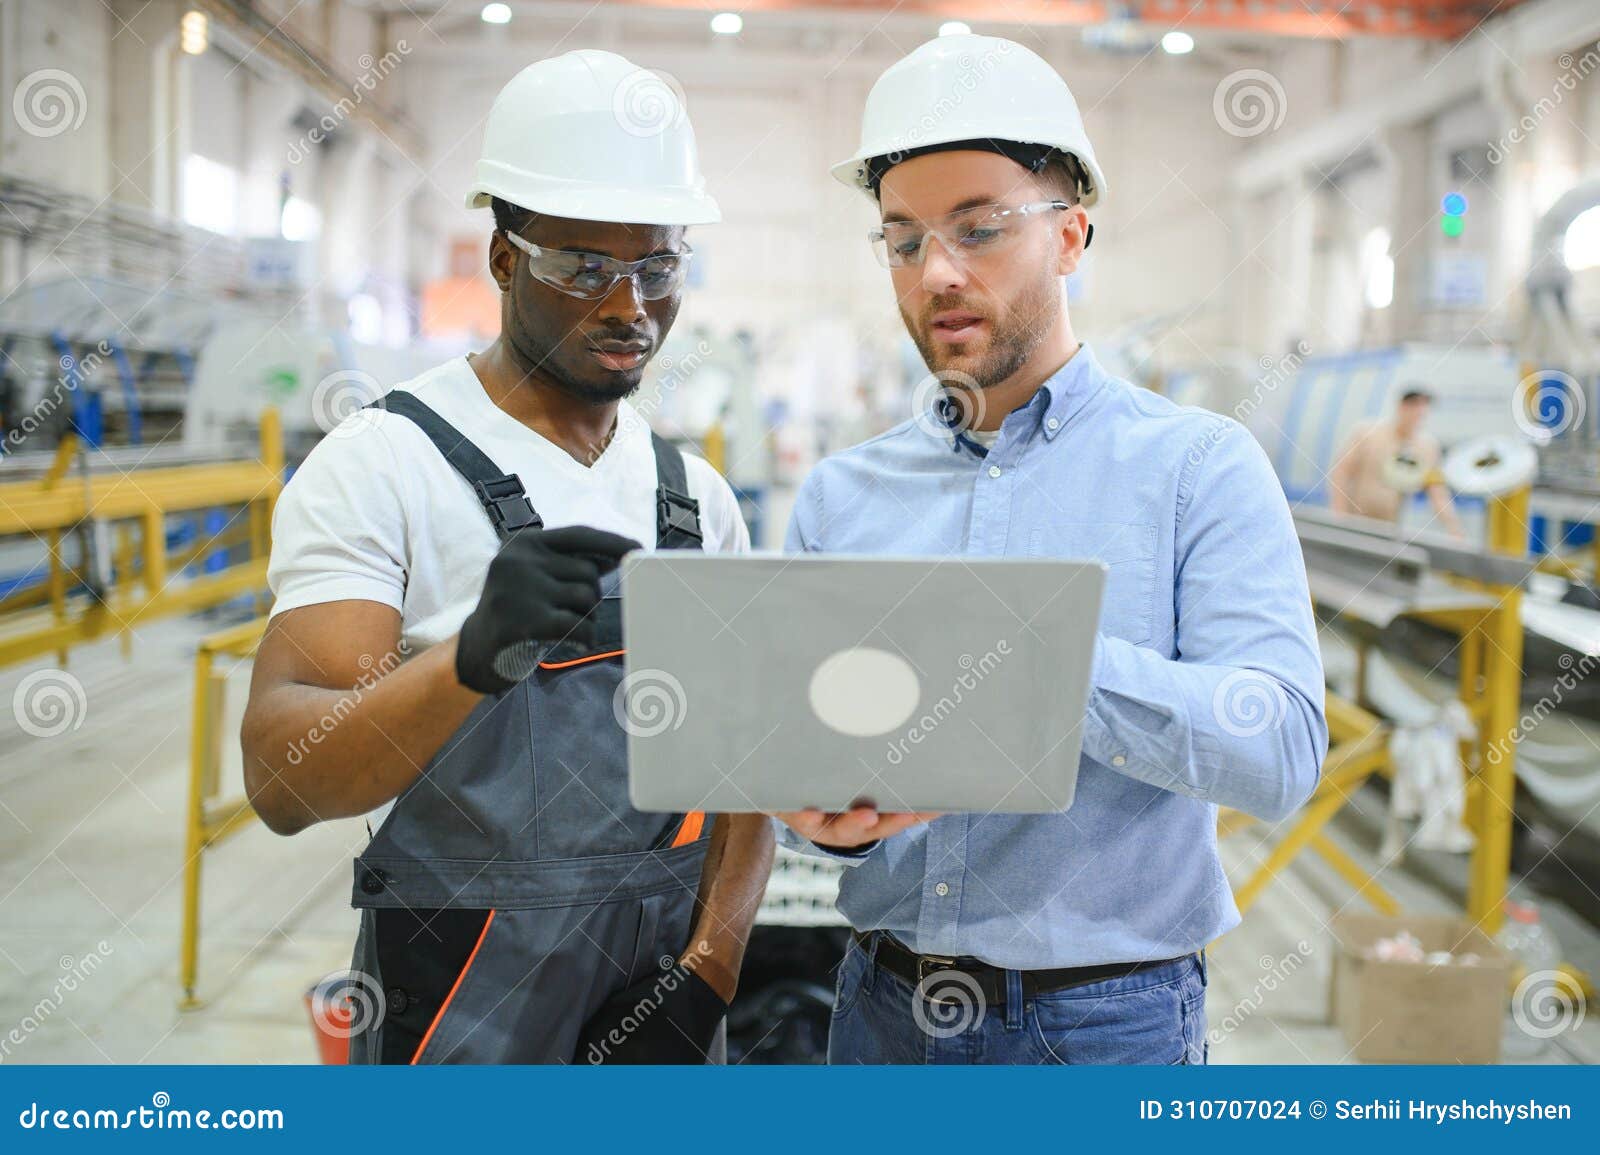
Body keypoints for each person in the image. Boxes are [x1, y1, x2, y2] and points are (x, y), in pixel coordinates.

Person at [773, 34, 1327, 1065]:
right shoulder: (845, 496)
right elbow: (813, 750)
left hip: (1098, 1029)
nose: (935, 272)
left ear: (1071, 236)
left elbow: (1279, 752)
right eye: (901, 241)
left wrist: (1040, 658)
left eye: (978, 230)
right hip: (879, 1007)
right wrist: (814, 807)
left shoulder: (1197, 468)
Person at [241, 50, 773, 1065]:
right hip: (459, 996)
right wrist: (468, 658)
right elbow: (281, 781)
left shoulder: (694, 502)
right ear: (500, 258)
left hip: (656, 994)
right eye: (583, 266)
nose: (628, 306)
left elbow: (743, 771)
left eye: (657, 268)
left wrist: (707, 972)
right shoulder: (383, 463)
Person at [1330, 387, 1463, 534]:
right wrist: (1340, 516)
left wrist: (1454, 529)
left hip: (1390, 529)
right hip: (1355, 523)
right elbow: (1341, 471)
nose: (1419, 412)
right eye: (1414, 405)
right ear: (1401, 406)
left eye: (1424, 406)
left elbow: (1437, 493)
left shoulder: (1427, 448)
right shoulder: (1368, 434)